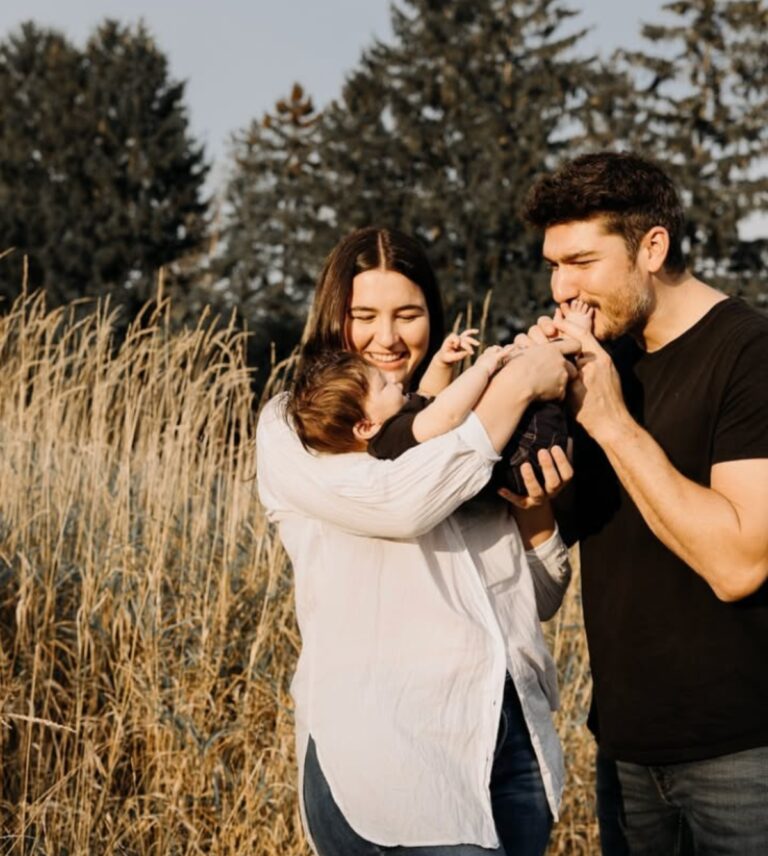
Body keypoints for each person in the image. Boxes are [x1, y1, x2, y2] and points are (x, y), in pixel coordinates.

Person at [256, 227, 579, 856]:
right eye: (364, 317)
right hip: (390, 746)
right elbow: (400, 504)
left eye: (408, 314)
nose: (388, 338)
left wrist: (536, 510)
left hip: (508, 734)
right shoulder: (298, 427)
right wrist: (513, 388)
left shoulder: (472, 421)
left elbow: (541, 596)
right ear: (333, 318)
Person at [519, 151, 768, 855]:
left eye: (582, 262)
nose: (562, 288)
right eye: (553, 265)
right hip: (625, 752)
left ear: (651, 246)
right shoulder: (604, 364)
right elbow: (552, 533)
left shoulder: (750, 353)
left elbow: (740, 563)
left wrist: (608, 418)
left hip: (745, 756)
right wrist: (529, 417)